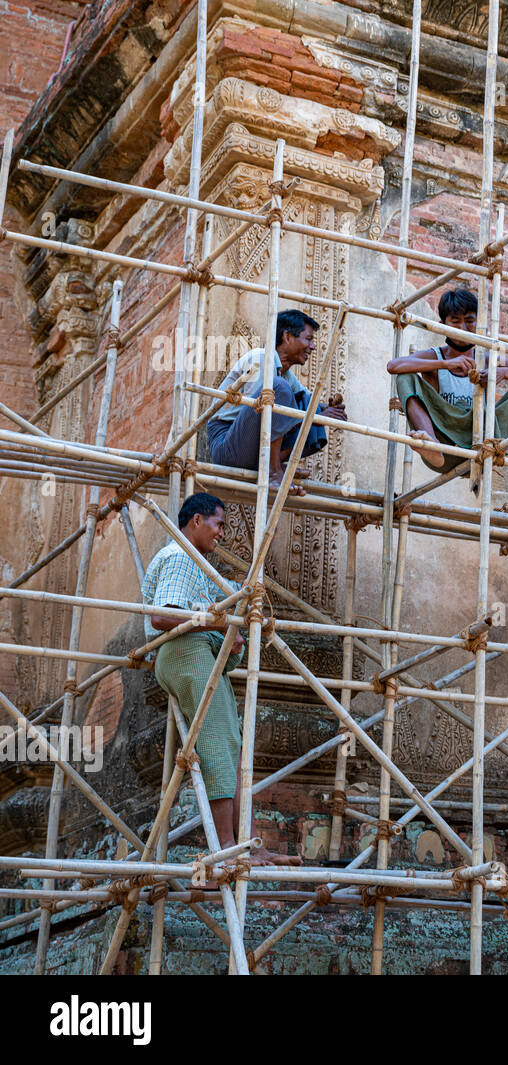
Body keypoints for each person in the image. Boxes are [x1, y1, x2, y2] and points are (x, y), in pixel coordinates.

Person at [143, 492, 300, 867]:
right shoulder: (180, 557)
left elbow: (229, 605)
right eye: (219, 524)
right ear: (196, 520)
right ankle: (225, 850)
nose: (222, 534)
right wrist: (216, 623)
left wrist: (233, 626)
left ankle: (245, 843)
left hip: (199, 653)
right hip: (185, 652)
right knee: (215, 743)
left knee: (232, 744)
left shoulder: (198, 566)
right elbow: (161, 617)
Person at [387, 288, 508, 492]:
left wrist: (501, 372)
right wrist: (445, 365)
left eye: (469, 320)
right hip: (446, 449)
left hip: (482, 443)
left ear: (478, 323)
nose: (463, 327)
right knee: (406, 376)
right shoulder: (436, 357)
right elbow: (393, 366)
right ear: (443, 326)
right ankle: (429, 443)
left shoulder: (487, 358)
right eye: (455, 321)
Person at [208, 309, 348, 495]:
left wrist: (328, 409)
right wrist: (316, 417)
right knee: (278, 389)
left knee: (305, 401)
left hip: (251, 448)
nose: (312, 346)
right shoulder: (261, 358)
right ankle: (273, 471)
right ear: (287, 337)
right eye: (308, 339)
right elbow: (259, 411)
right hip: (228, 444)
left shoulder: (285, 373)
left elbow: (310, 403)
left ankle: (275, 466)